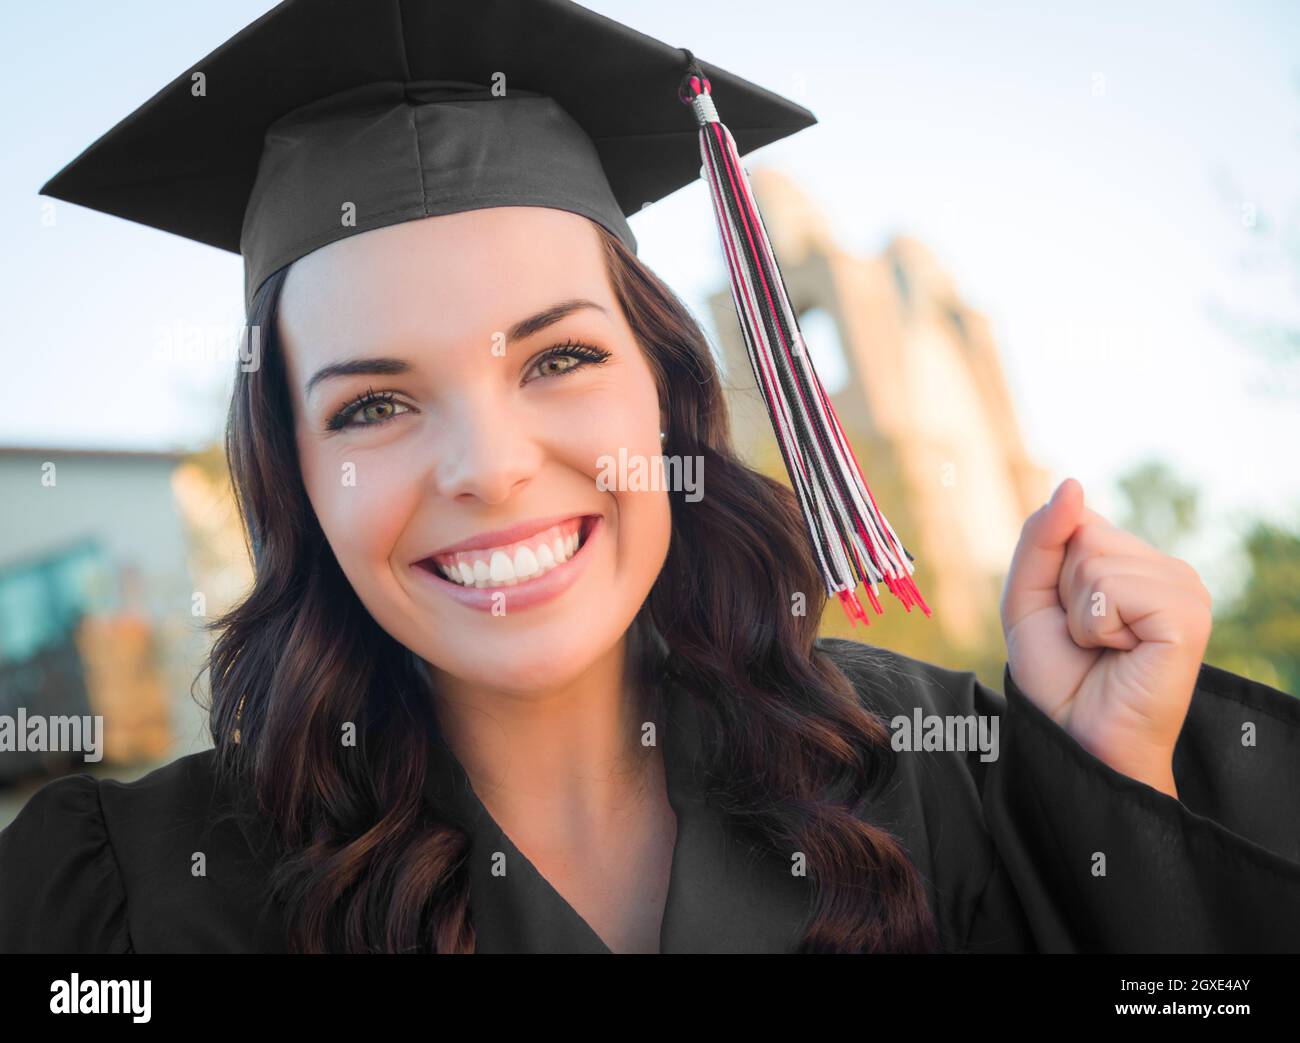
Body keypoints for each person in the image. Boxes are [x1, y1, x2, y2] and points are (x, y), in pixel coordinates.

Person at [1, 0, 1297, 954]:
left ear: (669, 390)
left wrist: (1117, 787)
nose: (493, 470)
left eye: (558, 356)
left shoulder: (934, 780)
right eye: (376, 404)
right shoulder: (131, 901)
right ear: (293, 473)